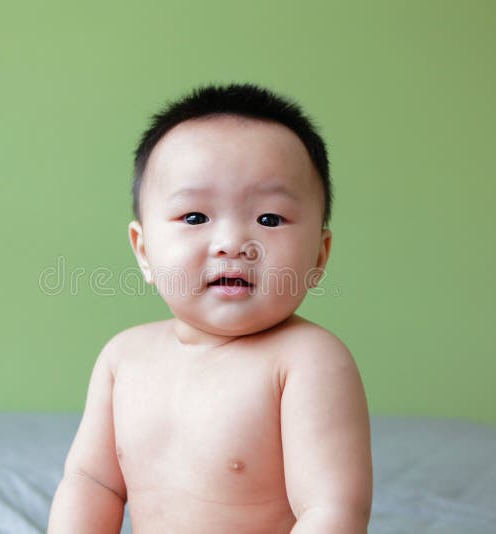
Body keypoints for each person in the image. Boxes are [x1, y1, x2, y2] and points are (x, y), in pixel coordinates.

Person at [47, 83, 372, 533]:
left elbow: (332, 511)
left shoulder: (308, 361)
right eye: (195, 217)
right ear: (143, 250)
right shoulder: (122, 358)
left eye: (269, 219)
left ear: (319, 254)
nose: (232, 244)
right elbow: (90, 482)